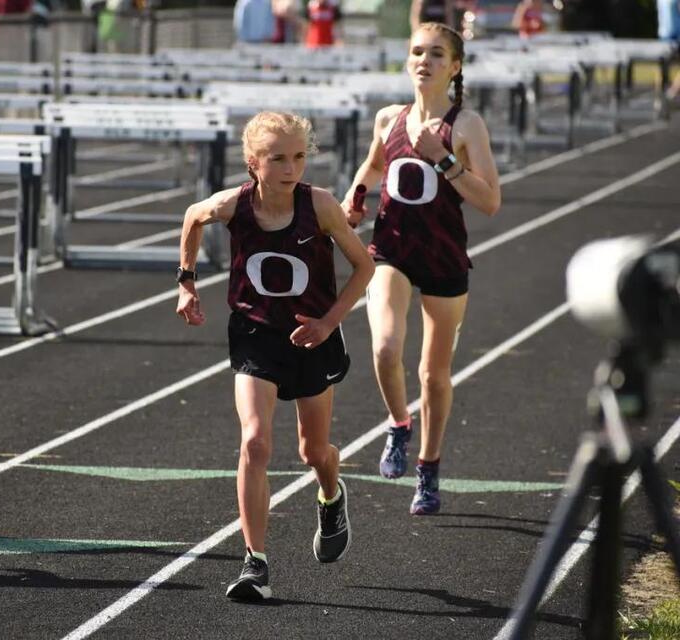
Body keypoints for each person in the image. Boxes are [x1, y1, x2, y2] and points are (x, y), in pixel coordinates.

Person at [176, 111, 374, 601]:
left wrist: (328, 322)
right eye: (278, 158)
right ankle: (255, 563)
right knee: (255, 442)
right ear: (253, 162)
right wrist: (186, 283)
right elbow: (193, 216)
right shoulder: (233, 205)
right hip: (255, 335)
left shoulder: (320, 205)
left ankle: (331, 494)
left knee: (313, 452)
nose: (290, 168)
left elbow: (364, 267)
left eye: (299, 157)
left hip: (311, 339)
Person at [341, 22, 501, 516]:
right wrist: (354, 196)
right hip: (391, 249)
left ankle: (428, 469)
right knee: (385, 347)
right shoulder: (389, 118)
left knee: (433, 375)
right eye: (417, 52)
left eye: (436, 54)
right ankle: (398, 425)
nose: (424, 61)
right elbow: (373, 166)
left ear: (454, 67)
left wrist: (444, 159)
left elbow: (490, 200)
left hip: (444, 257)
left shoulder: (466, 125)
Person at [658, 0, 680, 103]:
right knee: (663, 66)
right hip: (674, 35)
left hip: (664, 34)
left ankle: (661, 95)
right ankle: (672, 91)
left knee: (663, 66)